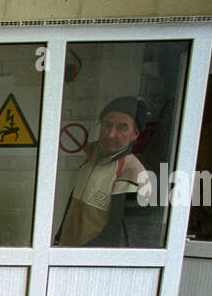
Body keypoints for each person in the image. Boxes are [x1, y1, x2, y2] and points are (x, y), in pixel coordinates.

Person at [55, 96, 154, 247]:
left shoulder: (133, 174)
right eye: (107, 125)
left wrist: (78, 259)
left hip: (92, 262)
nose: (111, 134)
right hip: (68, 254)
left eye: (121, 128)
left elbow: (116, 235)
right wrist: (57, 241)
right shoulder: (91, 159)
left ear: (135, 134)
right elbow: (72, 207)